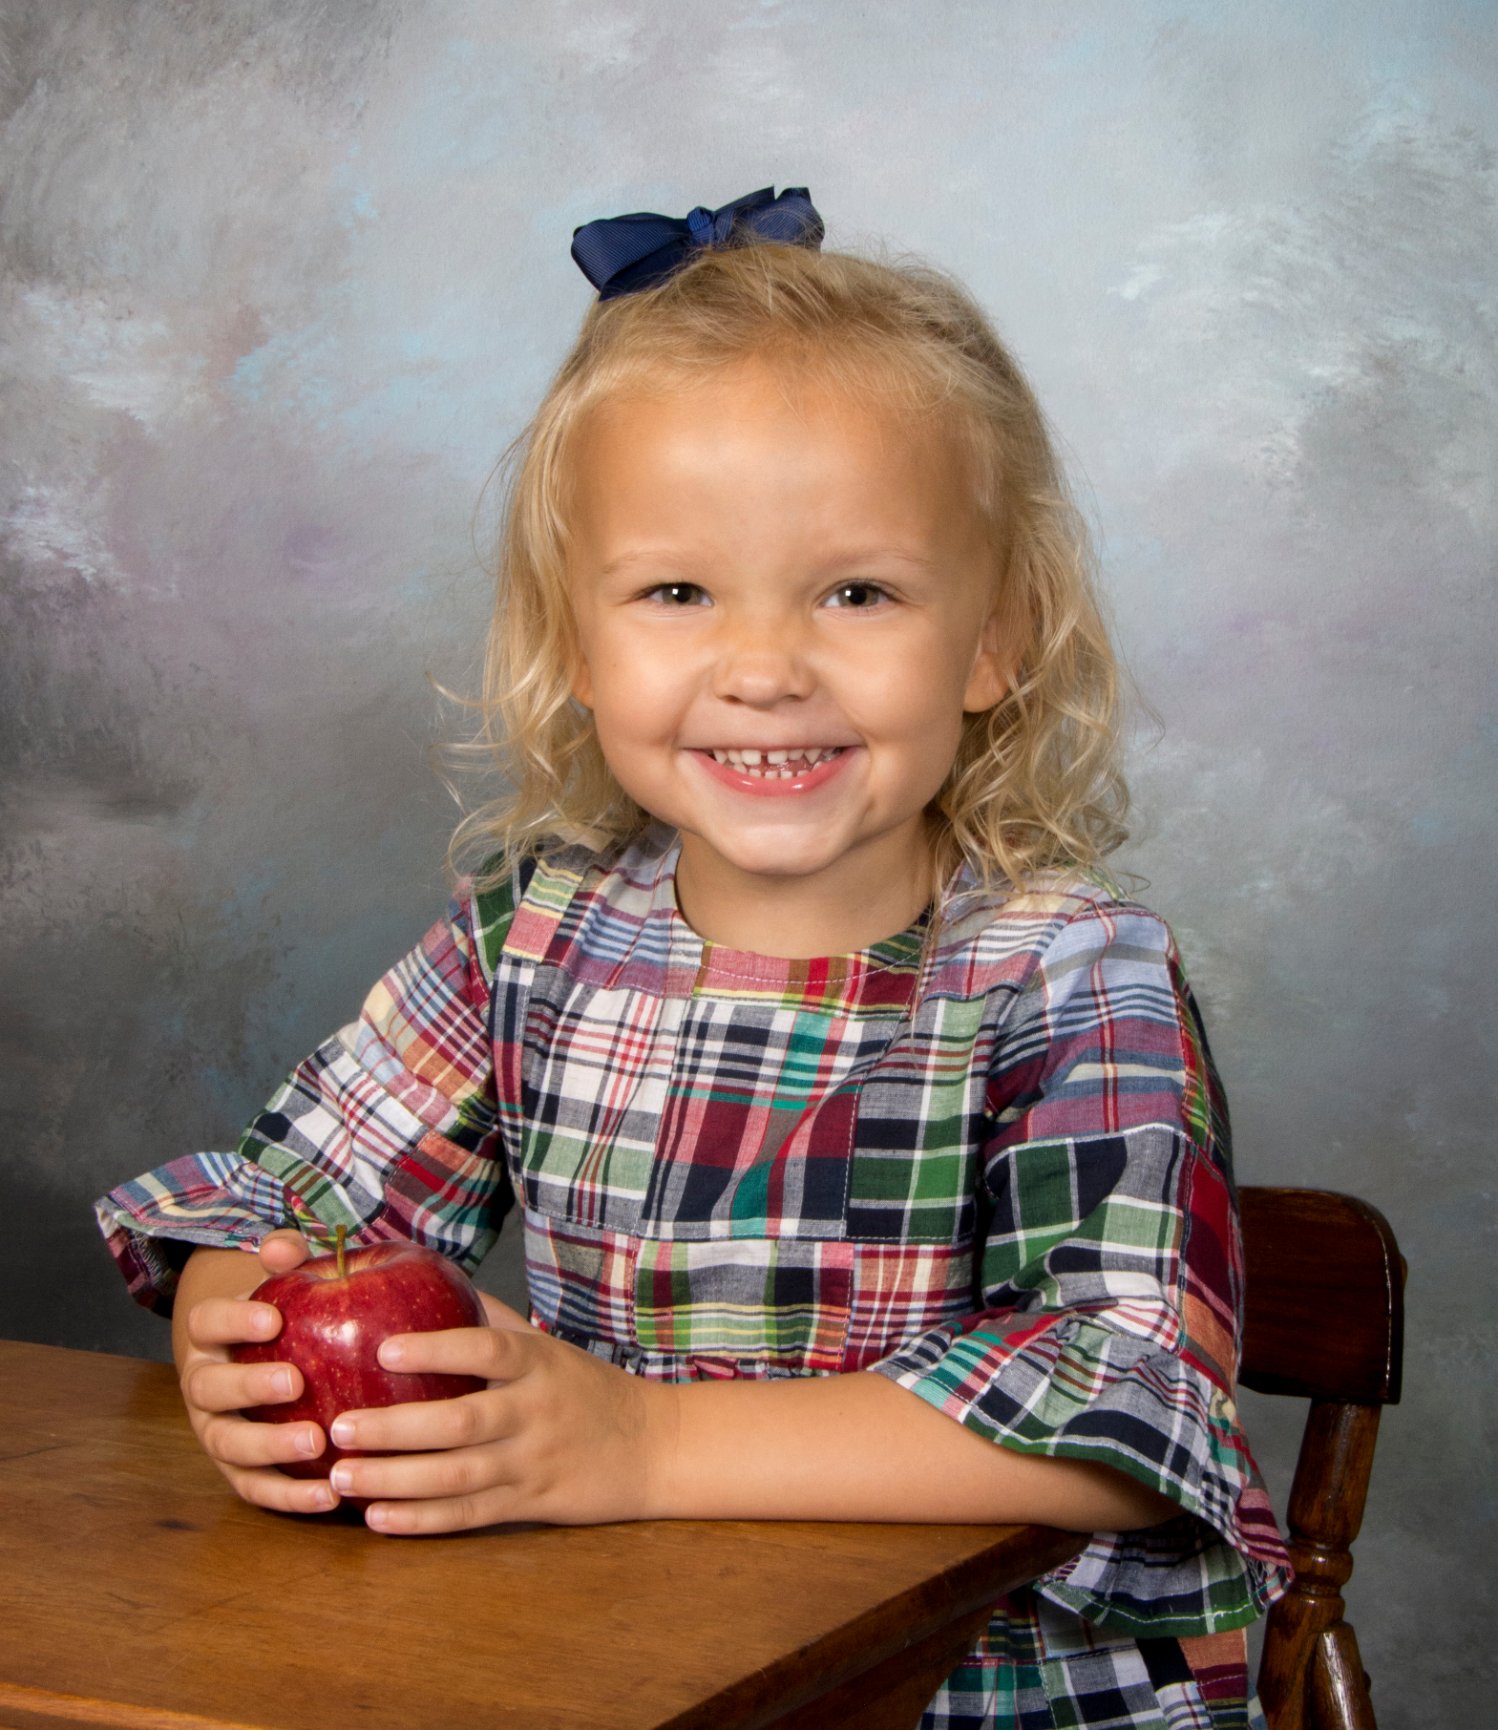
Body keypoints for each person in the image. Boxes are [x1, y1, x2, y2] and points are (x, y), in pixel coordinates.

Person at [96, 188, 1290, 1729]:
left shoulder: (1066, 976)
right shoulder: (538, 933)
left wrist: (639, 1445)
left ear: (993, 638)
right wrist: (233, 1319)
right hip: (643, 1676)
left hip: (995, 1703)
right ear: (579, 648)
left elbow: (1121, 1410)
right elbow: (291, 1205)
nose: (763, 666)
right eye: (676, 591)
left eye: (856, 591)